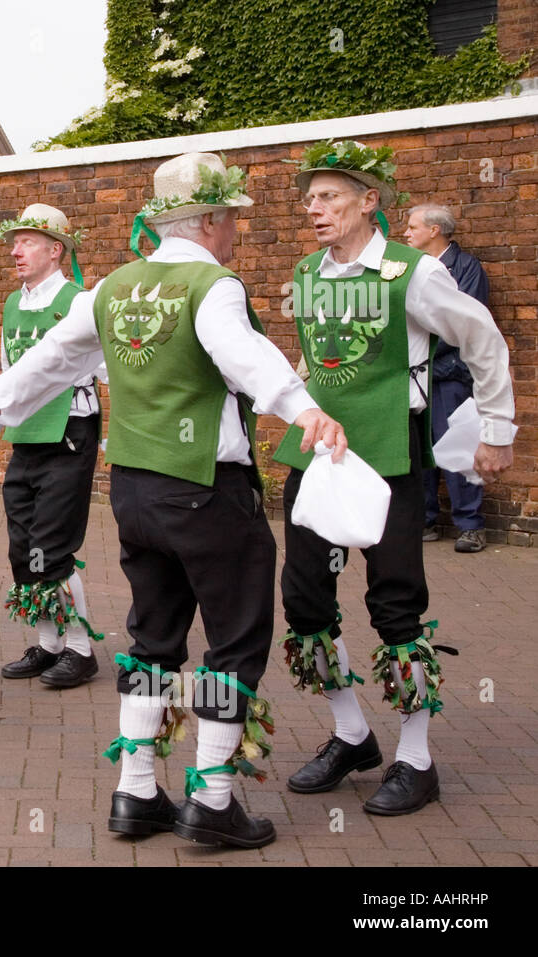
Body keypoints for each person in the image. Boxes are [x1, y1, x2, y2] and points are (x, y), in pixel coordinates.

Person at [0, 155, 345, 848]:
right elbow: (242, 353)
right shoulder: (211, 283)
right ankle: (213, 800)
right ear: (213, 219)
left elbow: (46, 361)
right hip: (205, 490)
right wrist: (303, 406)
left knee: (155, 638)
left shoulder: (110, 289)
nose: (236, 234)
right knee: (234, 639)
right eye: (233, 220)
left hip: (133, 492)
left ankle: (136, 792)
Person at [279, 140, 515, 816]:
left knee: (396, 602)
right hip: (318, 454)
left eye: (328, 196)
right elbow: (313, 360)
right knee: (305, 603)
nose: (314, 208)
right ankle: (352, 732)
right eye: (310, 198)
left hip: (389, 451)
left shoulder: (411, 271)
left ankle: (417, 754)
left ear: (369, 201)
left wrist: (496, 428)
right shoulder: (308, 271)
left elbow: (482, 339)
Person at [0, 203, 105, 691]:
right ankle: (49, 641)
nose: (15, 250)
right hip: (26, 433)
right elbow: (10, 372)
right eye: (15, 242)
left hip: (69, 430)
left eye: (26, 241)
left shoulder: (79, 301)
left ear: (56, 250)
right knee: (22, 546)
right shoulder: (13, 303)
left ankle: (80, 648)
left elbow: (107, 366)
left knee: (52, 545)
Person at [403, 204, 493, 553]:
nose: (407, 234)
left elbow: (460, 328)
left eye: (413, 227)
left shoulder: (466, 268)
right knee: (421, 449)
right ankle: (424, 520)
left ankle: (471, 526)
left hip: (451, 375)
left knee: (457, 447)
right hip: (419, 375)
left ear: (434, 230)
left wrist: (419, 346)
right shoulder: (410, 269)